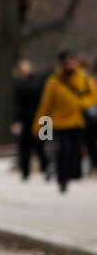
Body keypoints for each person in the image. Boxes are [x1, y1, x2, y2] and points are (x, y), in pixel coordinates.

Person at [32, 50, 96, 194]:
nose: (69, 65)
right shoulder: (54, 81)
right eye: (66, 62)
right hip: (60, 123)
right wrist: (39, 126)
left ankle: (71, 174)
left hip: (77, 122)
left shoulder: (84, 77)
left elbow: (93, 95)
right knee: (63, 151)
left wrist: (82, 103)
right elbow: (45, 105)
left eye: (71, 61)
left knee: (74, 152)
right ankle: (62, 179)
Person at [11, 59, 49, 180]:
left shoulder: (21, 86)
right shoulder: (41, 82)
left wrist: (16, 121)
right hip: (44, 118)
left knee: (25, 146)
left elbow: (18, 106)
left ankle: (26, 172)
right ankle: (46, 167)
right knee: (40, 146)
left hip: (28, 119)